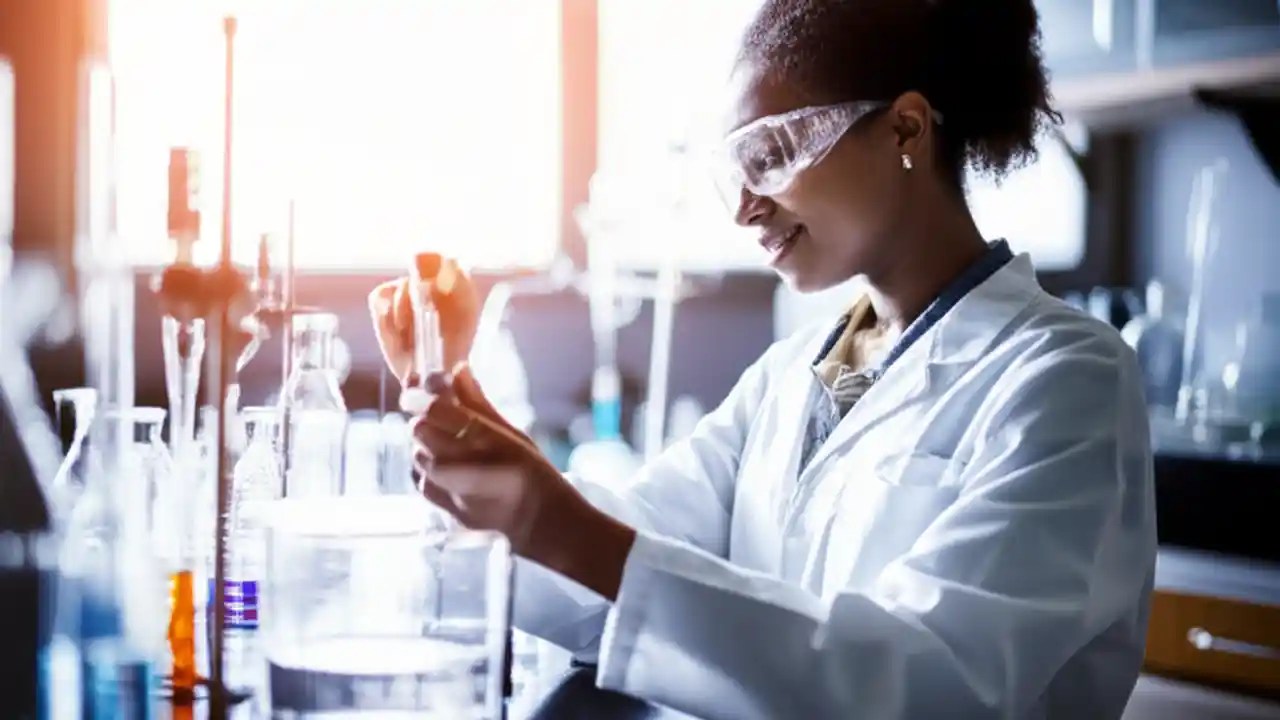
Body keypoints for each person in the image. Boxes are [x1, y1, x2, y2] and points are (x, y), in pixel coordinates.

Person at [369, 0, 1156, 717]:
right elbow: (631, 569)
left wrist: (562, 525)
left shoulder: (1063, 378)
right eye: (736, 172)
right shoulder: (797, 374)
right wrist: (451, 402)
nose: (745, 208)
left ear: (906, 131)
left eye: (773, 153)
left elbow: (929, 686)